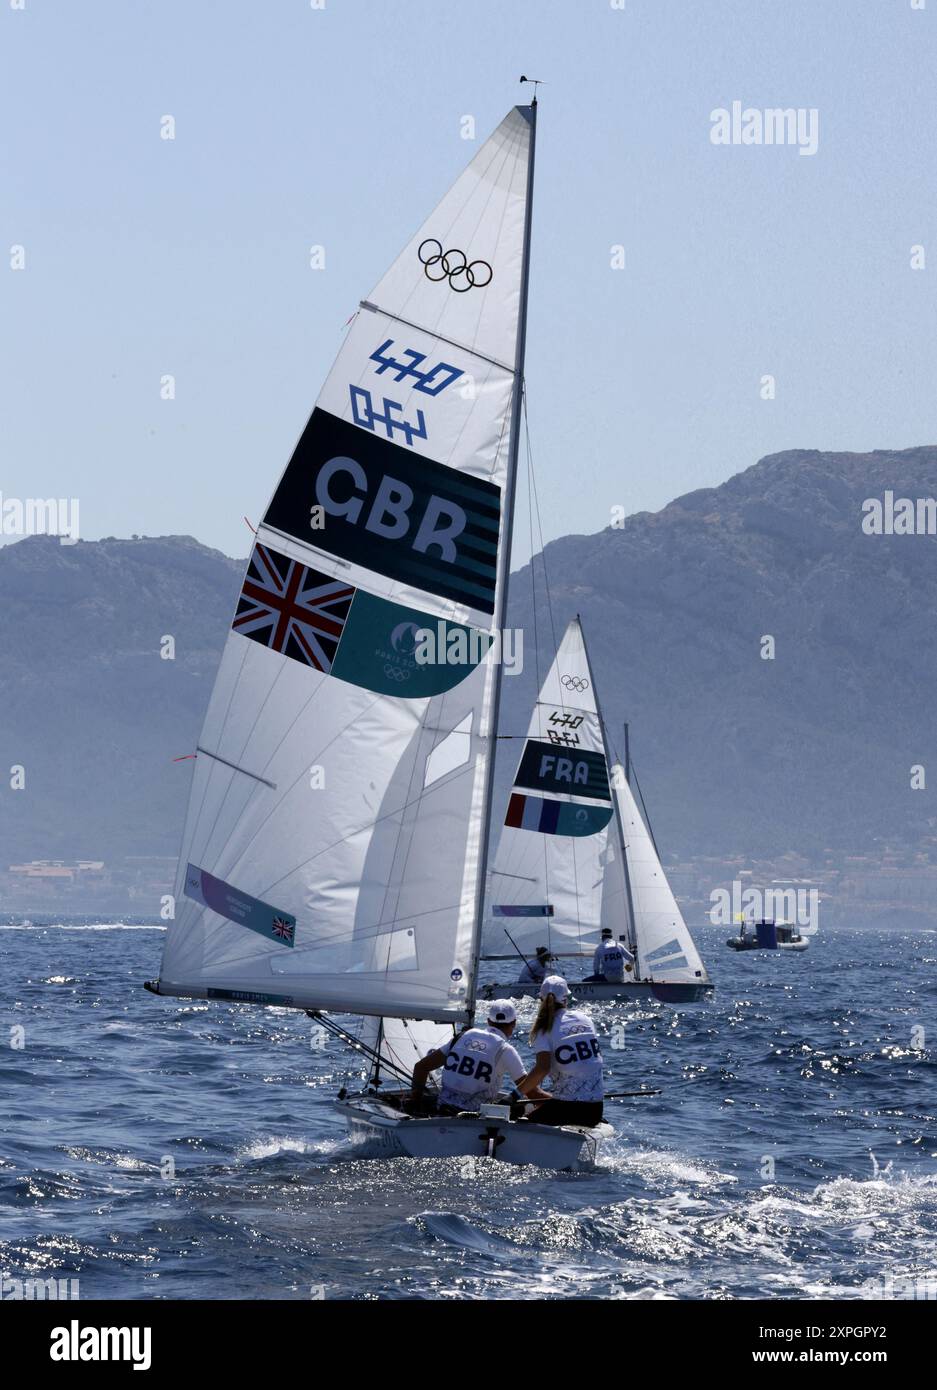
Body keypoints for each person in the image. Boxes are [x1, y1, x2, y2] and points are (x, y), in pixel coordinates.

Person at [408, 1000, 540, 1115]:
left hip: (441, 1110)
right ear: (514, 1023)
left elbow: (420, 1067)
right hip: (475, 1120)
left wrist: (415, 1105)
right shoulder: (506, 1050)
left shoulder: (462, 1036)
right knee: (525, 1107)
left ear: (488, 1021)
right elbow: (533, 1094)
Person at [522, 976, 605, 1127]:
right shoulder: (586, 1020)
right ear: (566, 999)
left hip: (567, 1109)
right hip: (596, 1110)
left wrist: (514, 1095)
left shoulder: (543, 1030)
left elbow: (542, 1069)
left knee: (520, 1122)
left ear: (541, 1000)